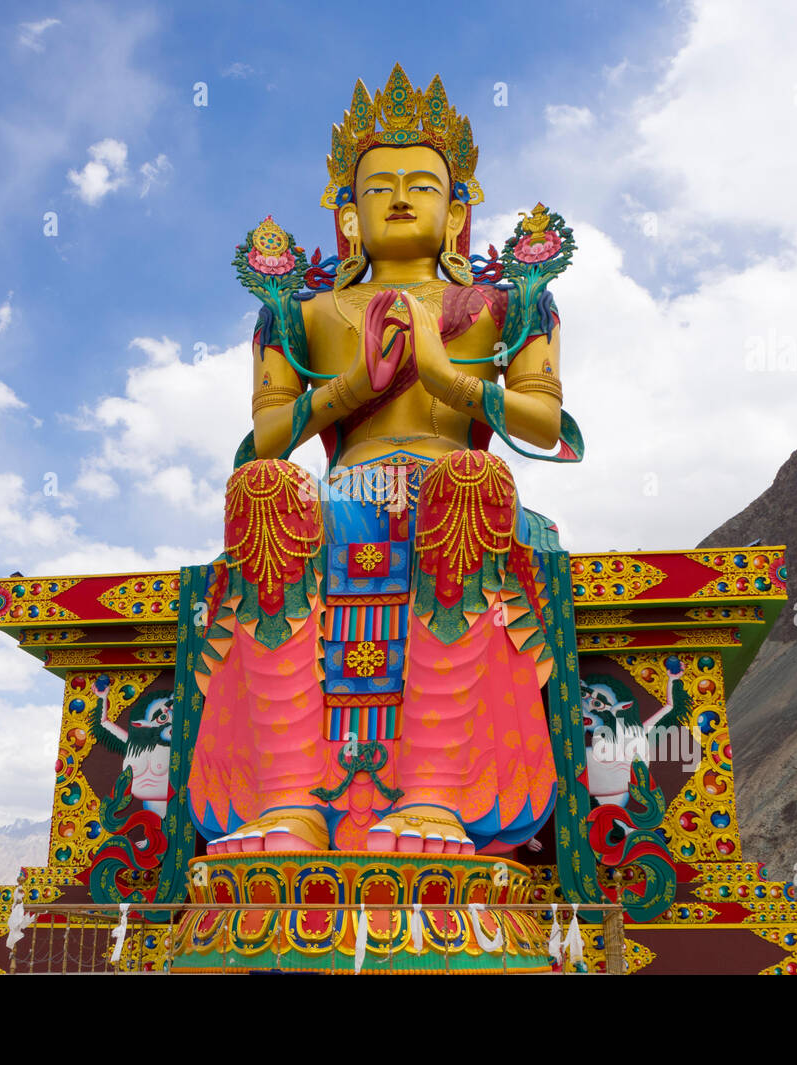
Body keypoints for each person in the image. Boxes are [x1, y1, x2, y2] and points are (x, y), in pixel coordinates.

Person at [186, 66, 583, 855]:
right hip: (340, 494)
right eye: (379, 187)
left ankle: (435, 793)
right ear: (349, 219)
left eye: (422, 185)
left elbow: (545, 427)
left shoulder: (507, 308)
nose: (401, 197)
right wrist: (352, 386)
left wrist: (440, 374)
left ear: (457, 212)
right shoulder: (302, 313)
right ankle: (288, 798)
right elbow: (264, 439)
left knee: (470, 479)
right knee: (263, 488)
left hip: (456, 489)